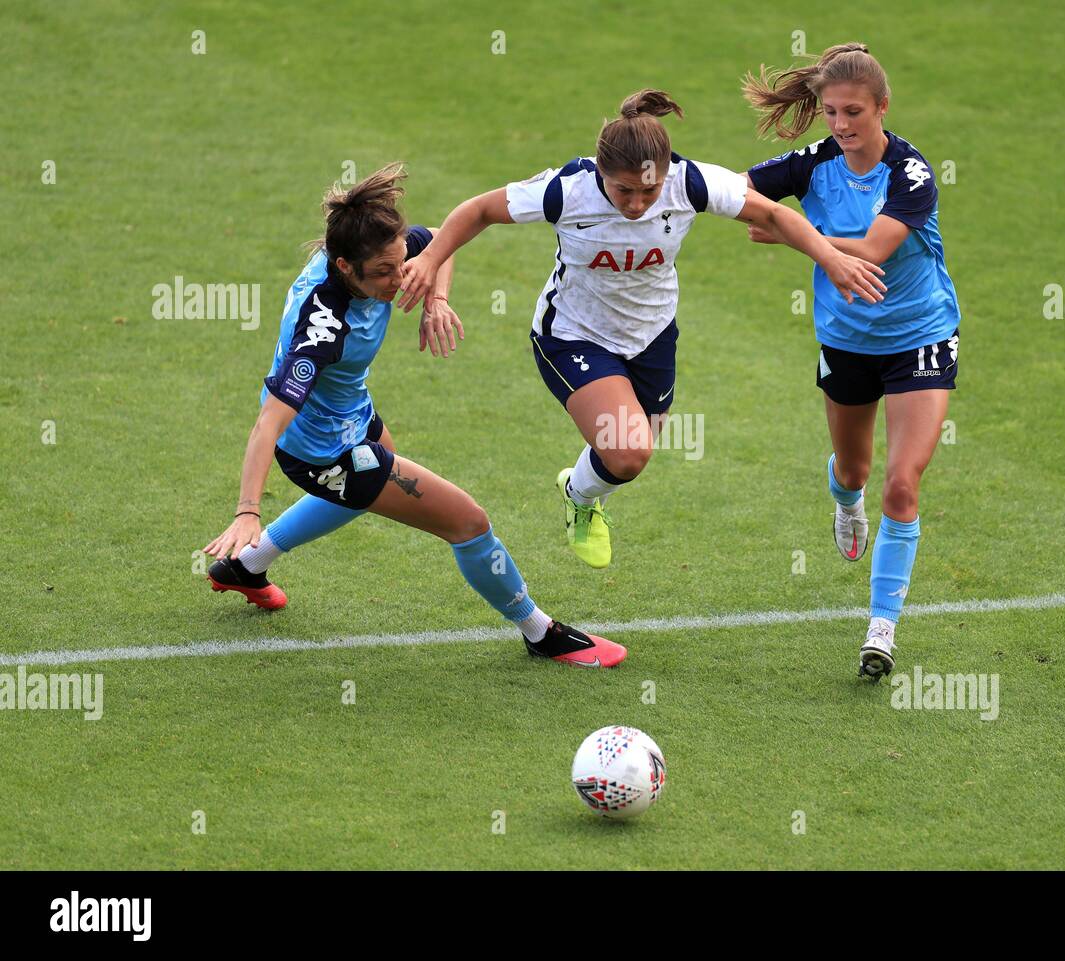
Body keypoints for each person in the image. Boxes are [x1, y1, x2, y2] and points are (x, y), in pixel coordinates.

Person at [397, 89, 887, 570]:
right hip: (572, 335)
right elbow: (480, 210)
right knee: (628, 451)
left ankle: (581, 489)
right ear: (600, 172)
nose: (635, 204)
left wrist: (832, 259)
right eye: (623, 190)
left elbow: (773, 213)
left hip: (653, 337)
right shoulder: (568, 190)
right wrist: (432, 267)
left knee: (634, 453)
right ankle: (581, 501)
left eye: (647, 191)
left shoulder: (689, 183)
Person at [202, 163, 624, 668]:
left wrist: (435, 298)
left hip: (349, 412)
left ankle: (247, 568)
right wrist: (247, 510)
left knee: (378, 474)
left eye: (400, 264)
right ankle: (540, 632)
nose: (399, 279)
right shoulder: (322, 326)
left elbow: (440, 244)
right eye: (383, 273)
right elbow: (268, 423)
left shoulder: (385, 257)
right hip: (321, 451)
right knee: (468, 522)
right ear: (343, 268)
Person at [742, 43, 961, 680]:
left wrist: (788, 230)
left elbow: (870, 250)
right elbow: (739, 191)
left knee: (902, 482)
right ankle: (844, 497)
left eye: (854, 113)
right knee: (855, 469)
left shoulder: (911, 175)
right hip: (846, 340)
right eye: (832, 113)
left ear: (883, 107)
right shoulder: (815, 163)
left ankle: (881, 627)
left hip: (920, 336)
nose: (841, 125)